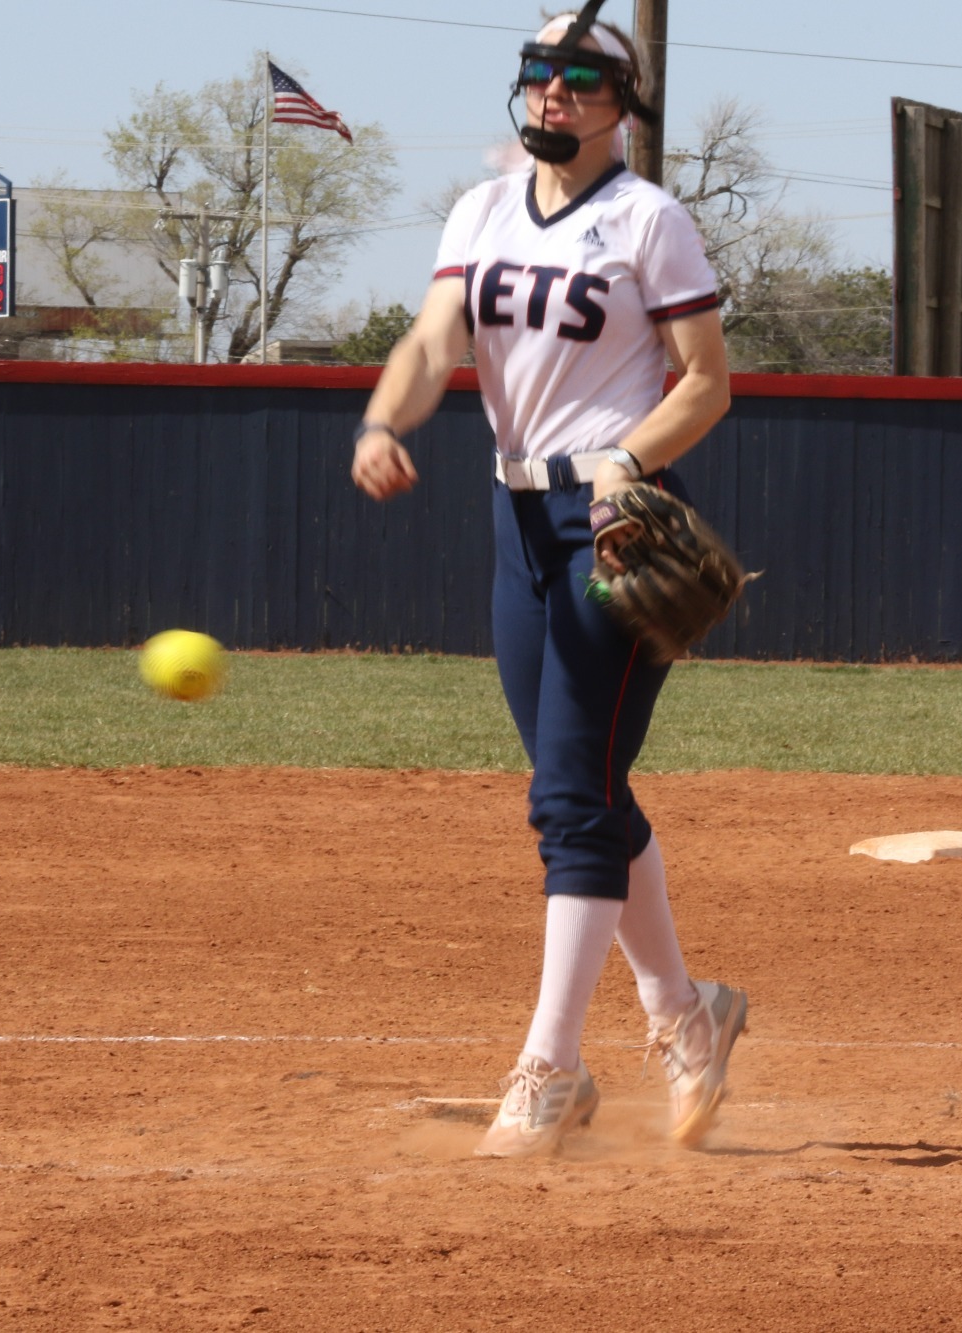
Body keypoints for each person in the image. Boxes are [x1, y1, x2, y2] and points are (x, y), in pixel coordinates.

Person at [350, 7, 746, 1157]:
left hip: (609, 519)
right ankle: (686, 1013)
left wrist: (629, 461)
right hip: (514, 517)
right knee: (582, 786)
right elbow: (432, 343)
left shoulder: (647, 220)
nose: (550, 98)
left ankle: (550, 1068)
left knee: (567, 800)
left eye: (577, 81)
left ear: (621, 107)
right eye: (537, 77)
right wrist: (384, 416)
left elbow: (705, 382)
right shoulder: (479, 210)